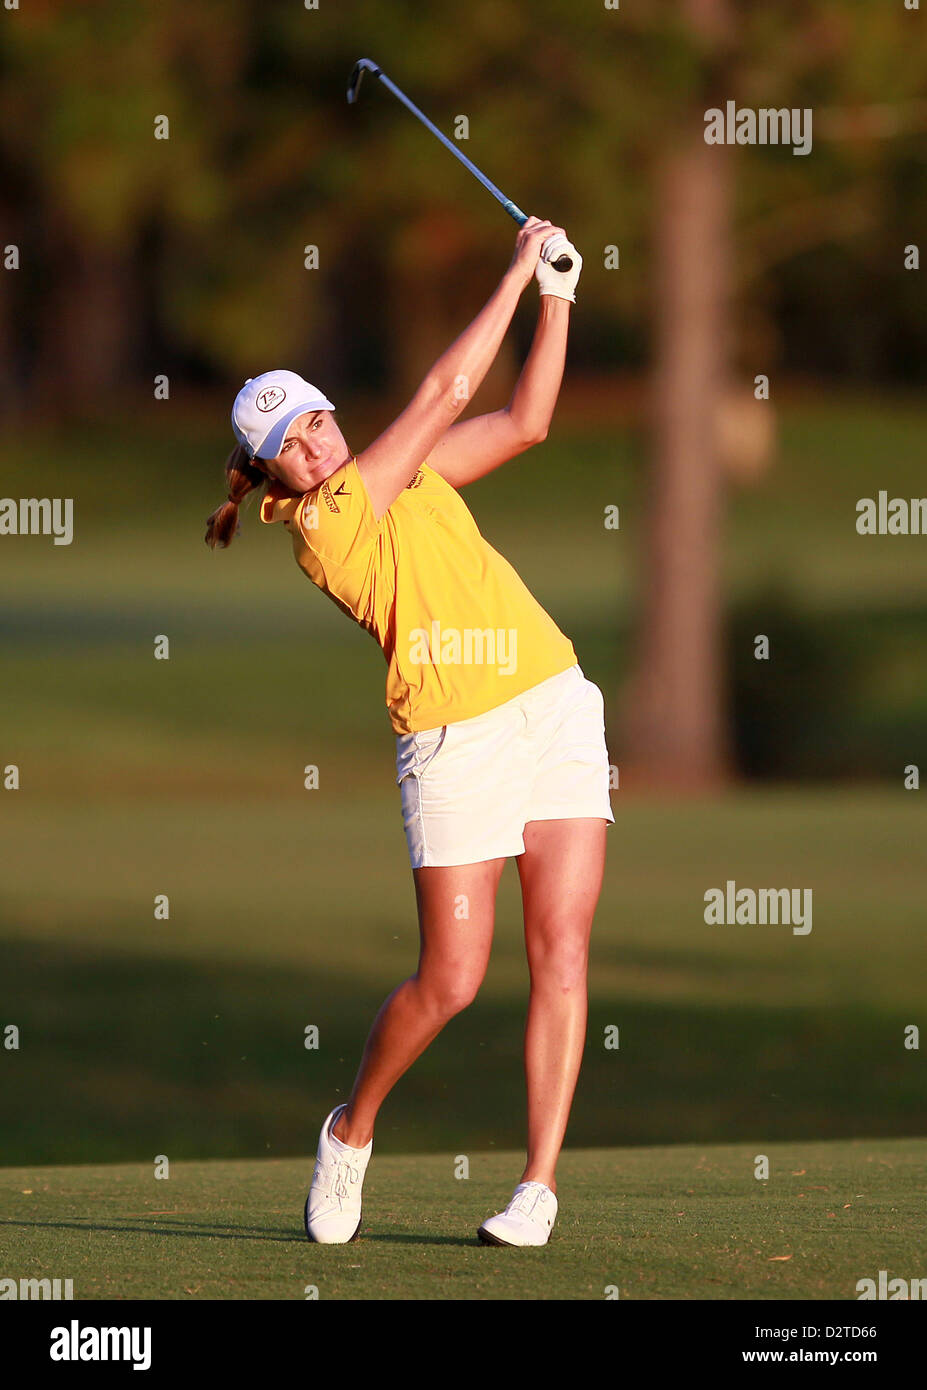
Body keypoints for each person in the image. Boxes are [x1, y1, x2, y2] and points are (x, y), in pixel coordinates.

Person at [206, 217, 614, 1247]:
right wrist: (518, 271)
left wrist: (559, 294)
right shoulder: (324, 525)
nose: (312, 444)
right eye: (289, 446)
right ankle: (351, 1130)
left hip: (554, 697)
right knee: (453, 979)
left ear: (332, 413)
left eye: (315, 421)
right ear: (272, 475)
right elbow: (444, 394)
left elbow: (523, 421)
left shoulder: (408, 473)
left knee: (562, 952)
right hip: (452, 737)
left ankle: (538, 1187)